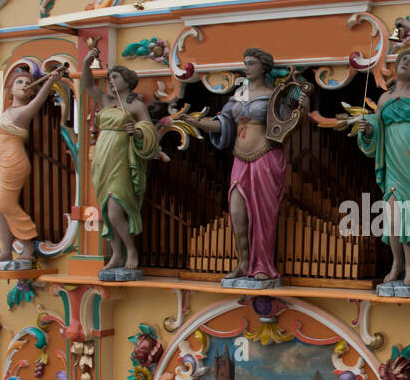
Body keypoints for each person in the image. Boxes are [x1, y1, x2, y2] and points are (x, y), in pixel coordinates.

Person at [341, 18, 410, 297]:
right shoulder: (384, 98)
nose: (406, 62)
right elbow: (378, 132)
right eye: (403, 59)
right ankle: (396, 264)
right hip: (394, 159)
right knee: (393, 214)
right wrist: (368, 129)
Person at [186, 49, 288, 287]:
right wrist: (197, 123)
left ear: (264, 67)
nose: (247, 67)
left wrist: (301, 110)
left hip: (266, 156)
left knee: (263, 215)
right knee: (237, 212)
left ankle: (262, 265)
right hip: (240, 158)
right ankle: (243, 263)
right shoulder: (238, 96)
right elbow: (222, 124)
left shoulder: (273, 95)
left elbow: (286, 125)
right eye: (245, 63)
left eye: (252, 63)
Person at [83, 48, 162, 280]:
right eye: (109, 78)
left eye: (115, 77)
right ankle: (116, 253)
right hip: (102, 158)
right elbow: (88, 85)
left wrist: (136, 132)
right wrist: (88, 62)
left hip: (122, 159)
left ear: (128, 81)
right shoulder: (105, 100)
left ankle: (131, 250)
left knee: (117, 210)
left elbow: (149, 131)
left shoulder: (135, 106)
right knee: (106, 210)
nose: (110, 81)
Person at [0, 63, 66, 270]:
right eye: (19, 82)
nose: (23, 85)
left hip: (13, 159)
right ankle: (6, 249)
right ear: (11, 88)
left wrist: (50, 82)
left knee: (5, 203)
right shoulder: (7, 111)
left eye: (28, 83)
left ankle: (28, 243)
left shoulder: (22, 112)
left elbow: (39, 102)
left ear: (31, 92)